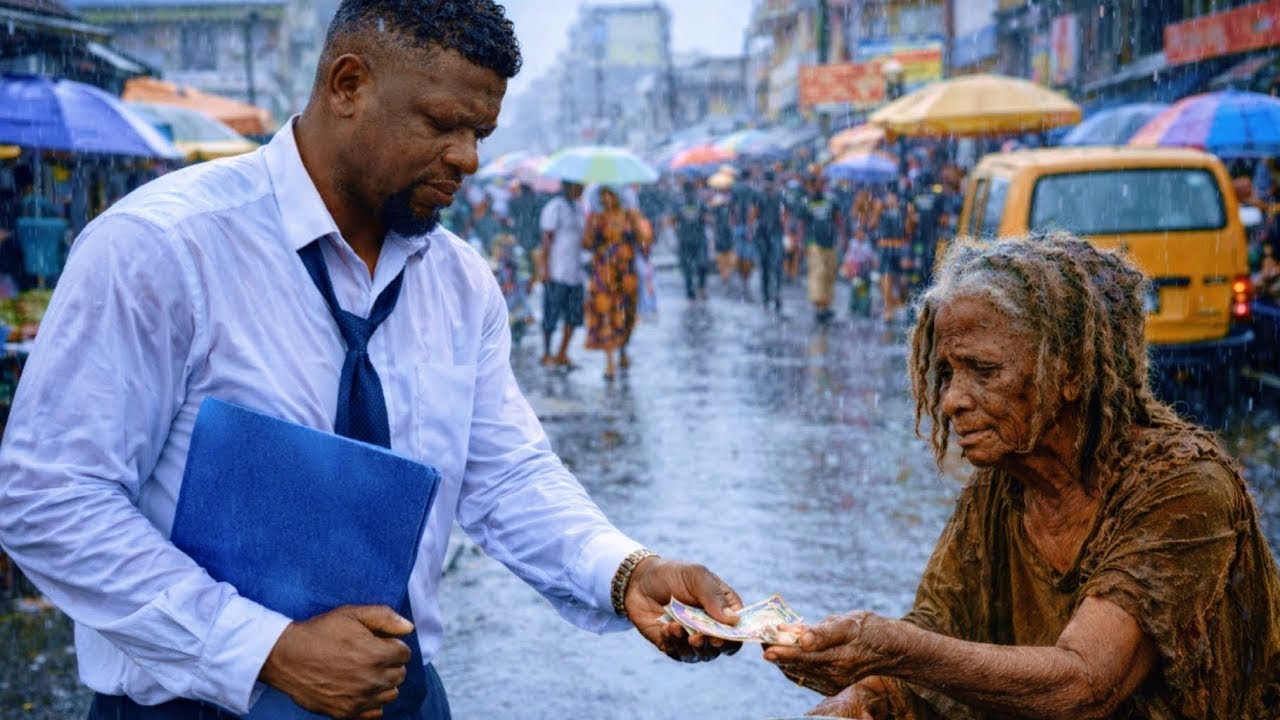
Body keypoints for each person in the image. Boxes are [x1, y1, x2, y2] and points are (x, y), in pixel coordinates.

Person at [0, 4, 746, 719]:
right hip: (198, 706)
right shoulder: (161, 249)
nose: (469, 157)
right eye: (443, 124)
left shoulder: (458, 283)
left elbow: (506, 473)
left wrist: (625, 573)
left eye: (481, 131)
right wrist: (265, 649)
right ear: (348, 85)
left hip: (401, 700)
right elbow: (49, 496)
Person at [765, 234, 1280, 718]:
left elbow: (1086, 685)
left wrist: (892, 650)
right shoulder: (1002, 486)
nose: (951, 401)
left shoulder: (1184, 487)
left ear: (1071, 372)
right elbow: (938, 631)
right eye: (946, 373)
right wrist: (863, 697)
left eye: (983, 371)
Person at [584, 185, 650, 380]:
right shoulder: (596, 219)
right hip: (604, 274)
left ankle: (623, 349)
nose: (606, 200)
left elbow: (644, 240)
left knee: (628, 314)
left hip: (626, 274)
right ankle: (610, 362)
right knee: (606, 314)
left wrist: (635, 223)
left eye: (610, 195)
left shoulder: (630, 216)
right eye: (603, 196)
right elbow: (586, 244)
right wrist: (592, 230)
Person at [538, 180, 586, 369]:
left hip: (576, 271)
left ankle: (562, 353)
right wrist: (545, 268)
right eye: (578, 186)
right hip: (557, 270)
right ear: (568, 186)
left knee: (574, 316)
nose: (581, 189)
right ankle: (547, 353)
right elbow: (547, 239)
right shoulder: (555, 207)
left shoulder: (578, 208)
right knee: (551, 313)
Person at [798, 175, 844, 325]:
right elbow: (802, 224)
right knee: (818, 273)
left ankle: (826, 305)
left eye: (819, 184)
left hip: (830, 242)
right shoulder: (806, 202)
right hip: (814, 243)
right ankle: (818, 305)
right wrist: (801, 242)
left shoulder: (832, 200)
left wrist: (843, 237)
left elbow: (838, 219)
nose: (817, 187)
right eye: (814, 184)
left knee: (829, 274)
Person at [673, 181, 709, 301]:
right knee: (690, 267)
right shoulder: (680, 204)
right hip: (688, 240)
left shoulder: (700, 203)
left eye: (691, 192)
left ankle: (698, 289)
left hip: (696, 239)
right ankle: (692, 293)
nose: (690, 194)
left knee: (700, 265)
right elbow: (674, 219)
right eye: (688, 192)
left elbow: (707, 217)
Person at [756, 171, 786, 312]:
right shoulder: (760, 195)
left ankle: (774, 295)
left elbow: (785, 214)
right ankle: (768, 296)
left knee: (775, 266)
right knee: (767, 267)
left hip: (774, 234)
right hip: (765, 235)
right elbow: (754, 213)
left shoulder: (780, 196)